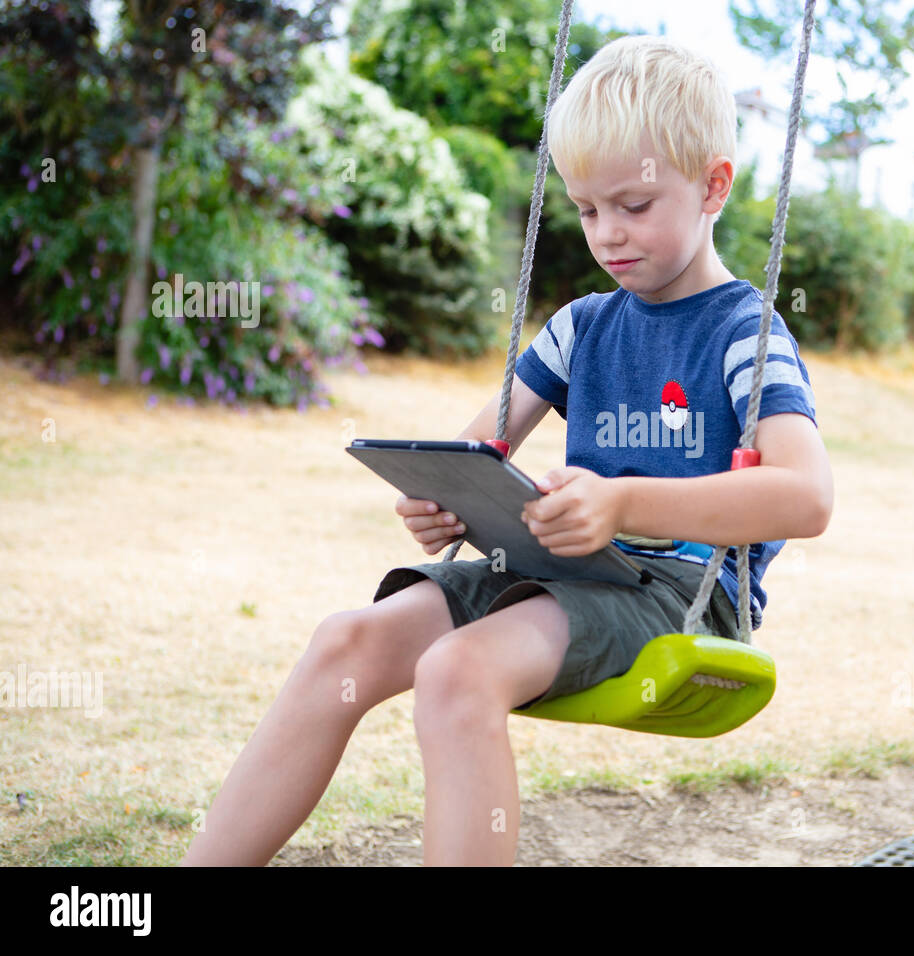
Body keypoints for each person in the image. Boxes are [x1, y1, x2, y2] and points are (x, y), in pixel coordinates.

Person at [179, 35, 832, 868]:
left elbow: (807, 497)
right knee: (345, 641)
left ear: (713, 186)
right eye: (587, 209)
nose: (608, 235)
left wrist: (625, 503)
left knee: (457, 671)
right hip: (554, 569)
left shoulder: (745, 334)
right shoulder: (582, 326)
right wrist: (440, 494)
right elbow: (476, 445)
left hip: (678, 593)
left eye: (633, 205)